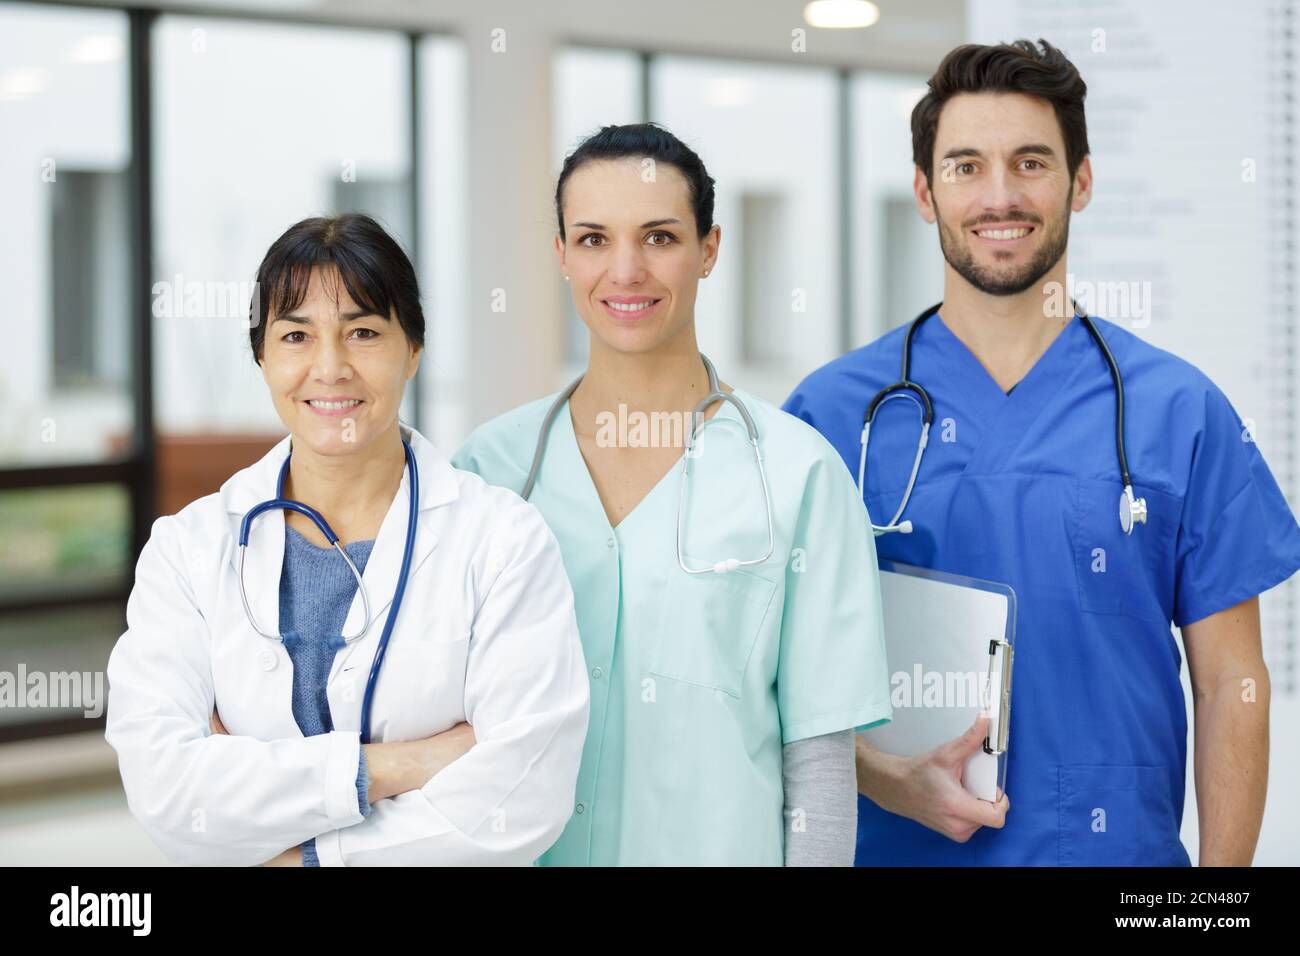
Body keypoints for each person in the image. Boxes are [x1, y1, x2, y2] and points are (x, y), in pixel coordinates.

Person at [784, 39, 1300, 866]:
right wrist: (884, 778)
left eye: (1031, 162)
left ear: (1080, 181)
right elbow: (778, 684)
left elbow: (1230, 686)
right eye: (964, 167)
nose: (999, 195)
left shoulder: (1178, 411)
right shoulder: (833, 416)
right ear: (924, 191)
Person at [453, 123, 892, 865]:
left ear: (709, 249)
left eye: (659, 237)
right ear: (561, 254)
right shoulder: (489, 473)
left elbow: (818, 768)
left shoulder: (798, 476)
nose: (625, 270)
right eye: (593, 239)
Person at [105, 213, 589, 866]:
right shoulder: (189, 550)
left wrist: (302, 857)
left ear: (412, 349)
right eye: (296, 336)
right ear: (263, 356)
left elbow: (521, 799)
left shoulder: (501, 541)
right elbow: (168, 790)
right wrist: (397, 765)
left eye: (363, 332)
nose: (329, 369)